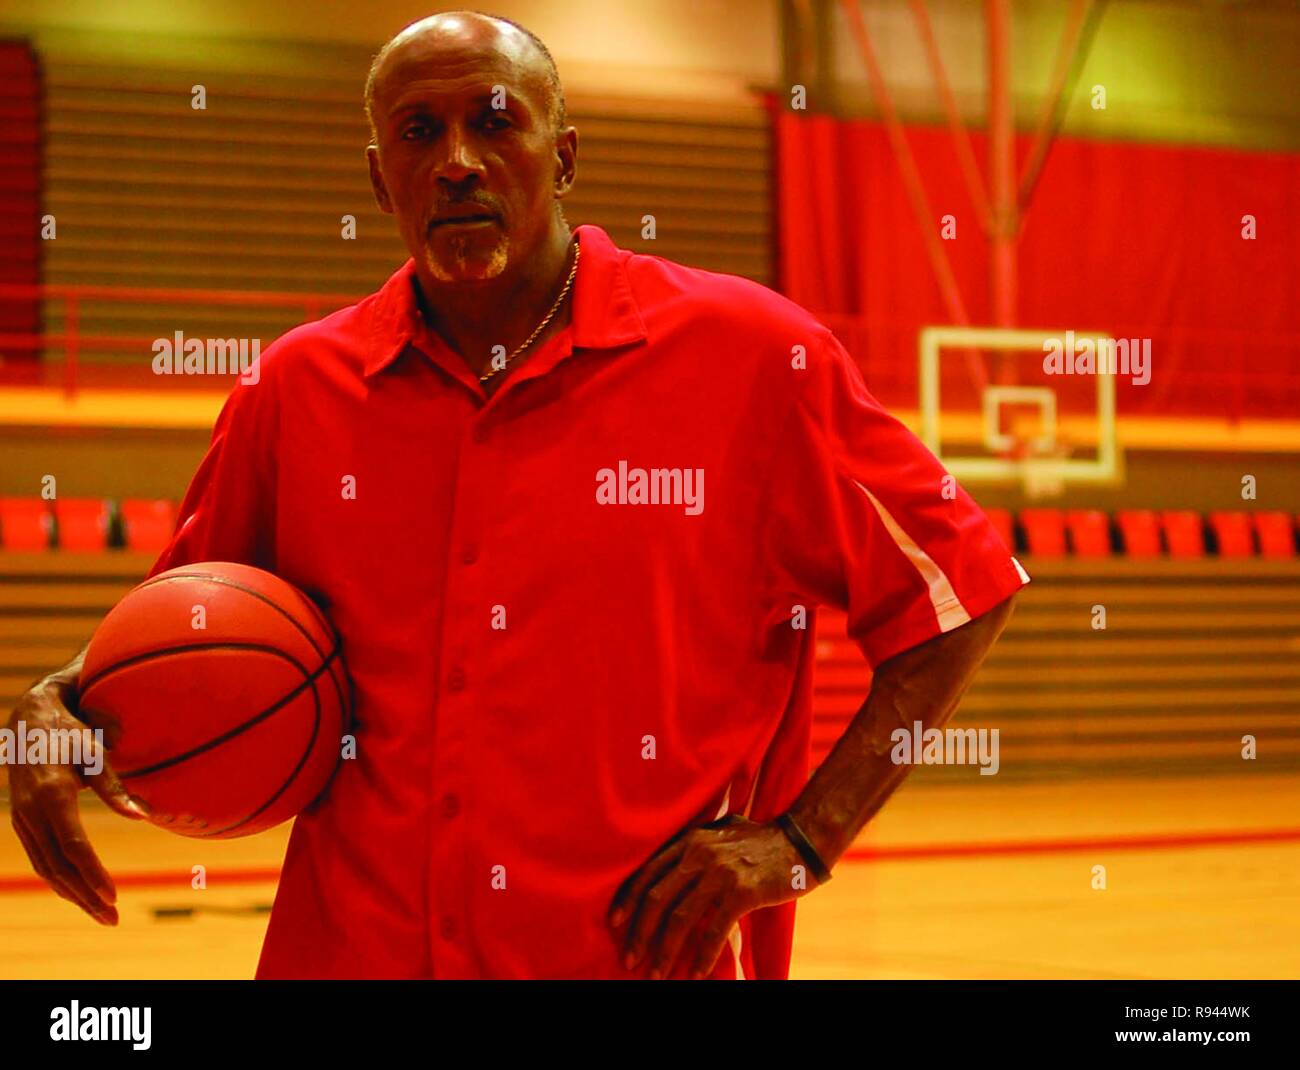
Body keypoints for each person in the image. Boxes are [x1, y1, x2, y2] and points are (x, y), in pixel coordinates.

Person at [7, 11, 1027, 979]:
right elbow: (179, 640)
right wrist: (58, 706)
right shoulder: (293, 390)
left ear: (564, 154)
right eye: (419, 131)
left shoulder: (756, 359)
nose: (456, 158)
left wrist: (801, 839)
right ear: (379, 176)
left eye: (495, 120)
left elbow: (962, 591)